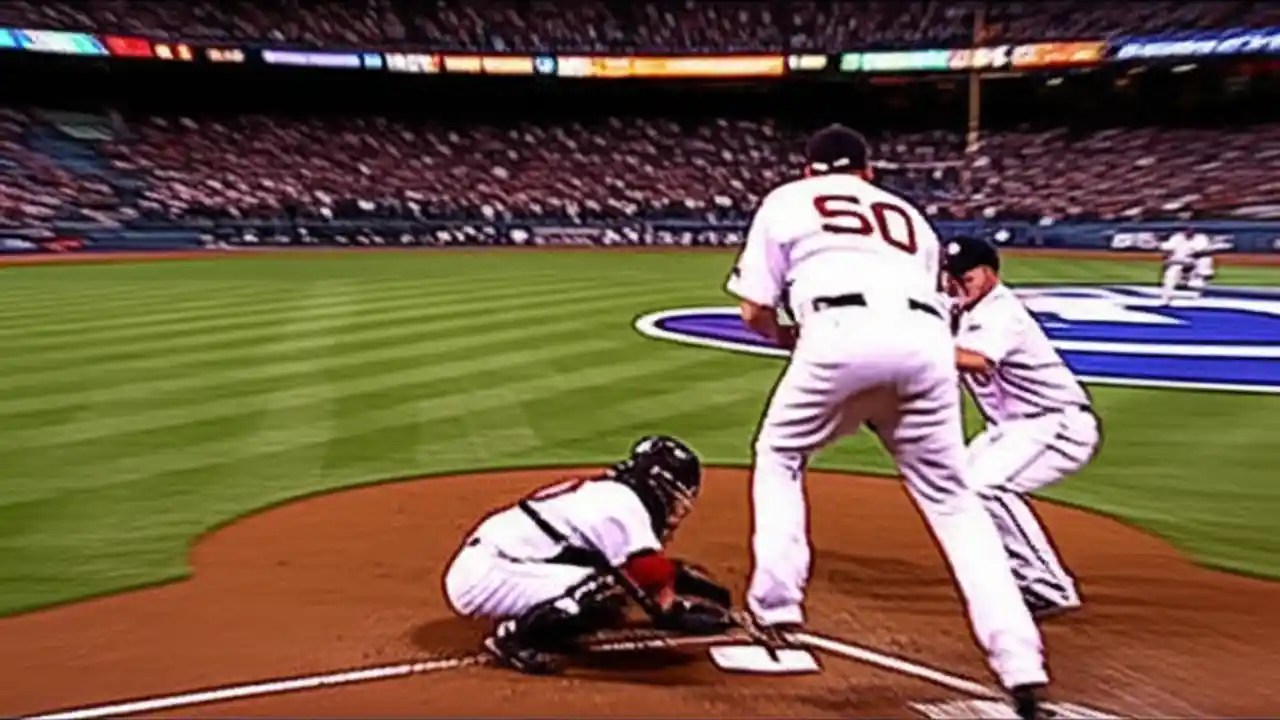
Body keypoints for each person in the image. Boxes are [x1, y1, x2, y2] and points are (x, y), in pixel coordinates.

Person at [726, 123, 1048, 719]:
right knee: (954, 503)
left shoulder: (788, 200)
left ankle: (774, 605)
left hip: (838, 334)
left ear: (808, 171)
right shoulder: (910, 217)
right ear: (868, 173)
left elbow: (753, 310)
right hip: (927, 344)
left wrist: (793, 342)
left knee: (780, 456)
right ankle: (1020, 661)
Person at [444, 435, 734, 674]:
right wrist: (676, 606)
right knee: (607, 593)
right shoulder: (624, 503)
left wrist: (674, 599)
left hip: (507, 562)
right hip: (488, 575)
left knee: (608, 583)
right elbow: (646, 574)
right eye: (677, 498)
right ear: (661, 485)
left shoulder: (612, 493)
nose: (676, 510)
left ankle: (548, 622)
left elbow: (638, 571)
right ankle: (516, 637)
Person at [946, 235, 1102, 619]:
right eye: (949, 274)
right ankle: (1005, 576)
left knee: (987, 488)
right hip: (1012, 428)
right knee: (955, 489)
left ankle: (1049, 587)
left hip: (1055, 424)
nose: (953, 282)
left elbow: (979, 360)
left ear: (988, 273)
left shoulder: (1002, 313)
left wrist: (913, 347)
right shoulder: (962, 307)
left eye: (963, 275)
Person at [1159, 227, 1198, 305]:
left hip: (1190, 265)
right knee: (1169, 280)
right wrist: (1167, 258)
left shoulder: (1199, 239)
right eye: (1188, 230)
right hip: (1176, 263)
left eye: (1192, 230)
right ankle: (1166, 299)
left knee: (1196, 283)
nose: (1190, 232)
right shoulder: (1177, 238)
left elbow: (1200, 252)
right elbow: (1166, 248)